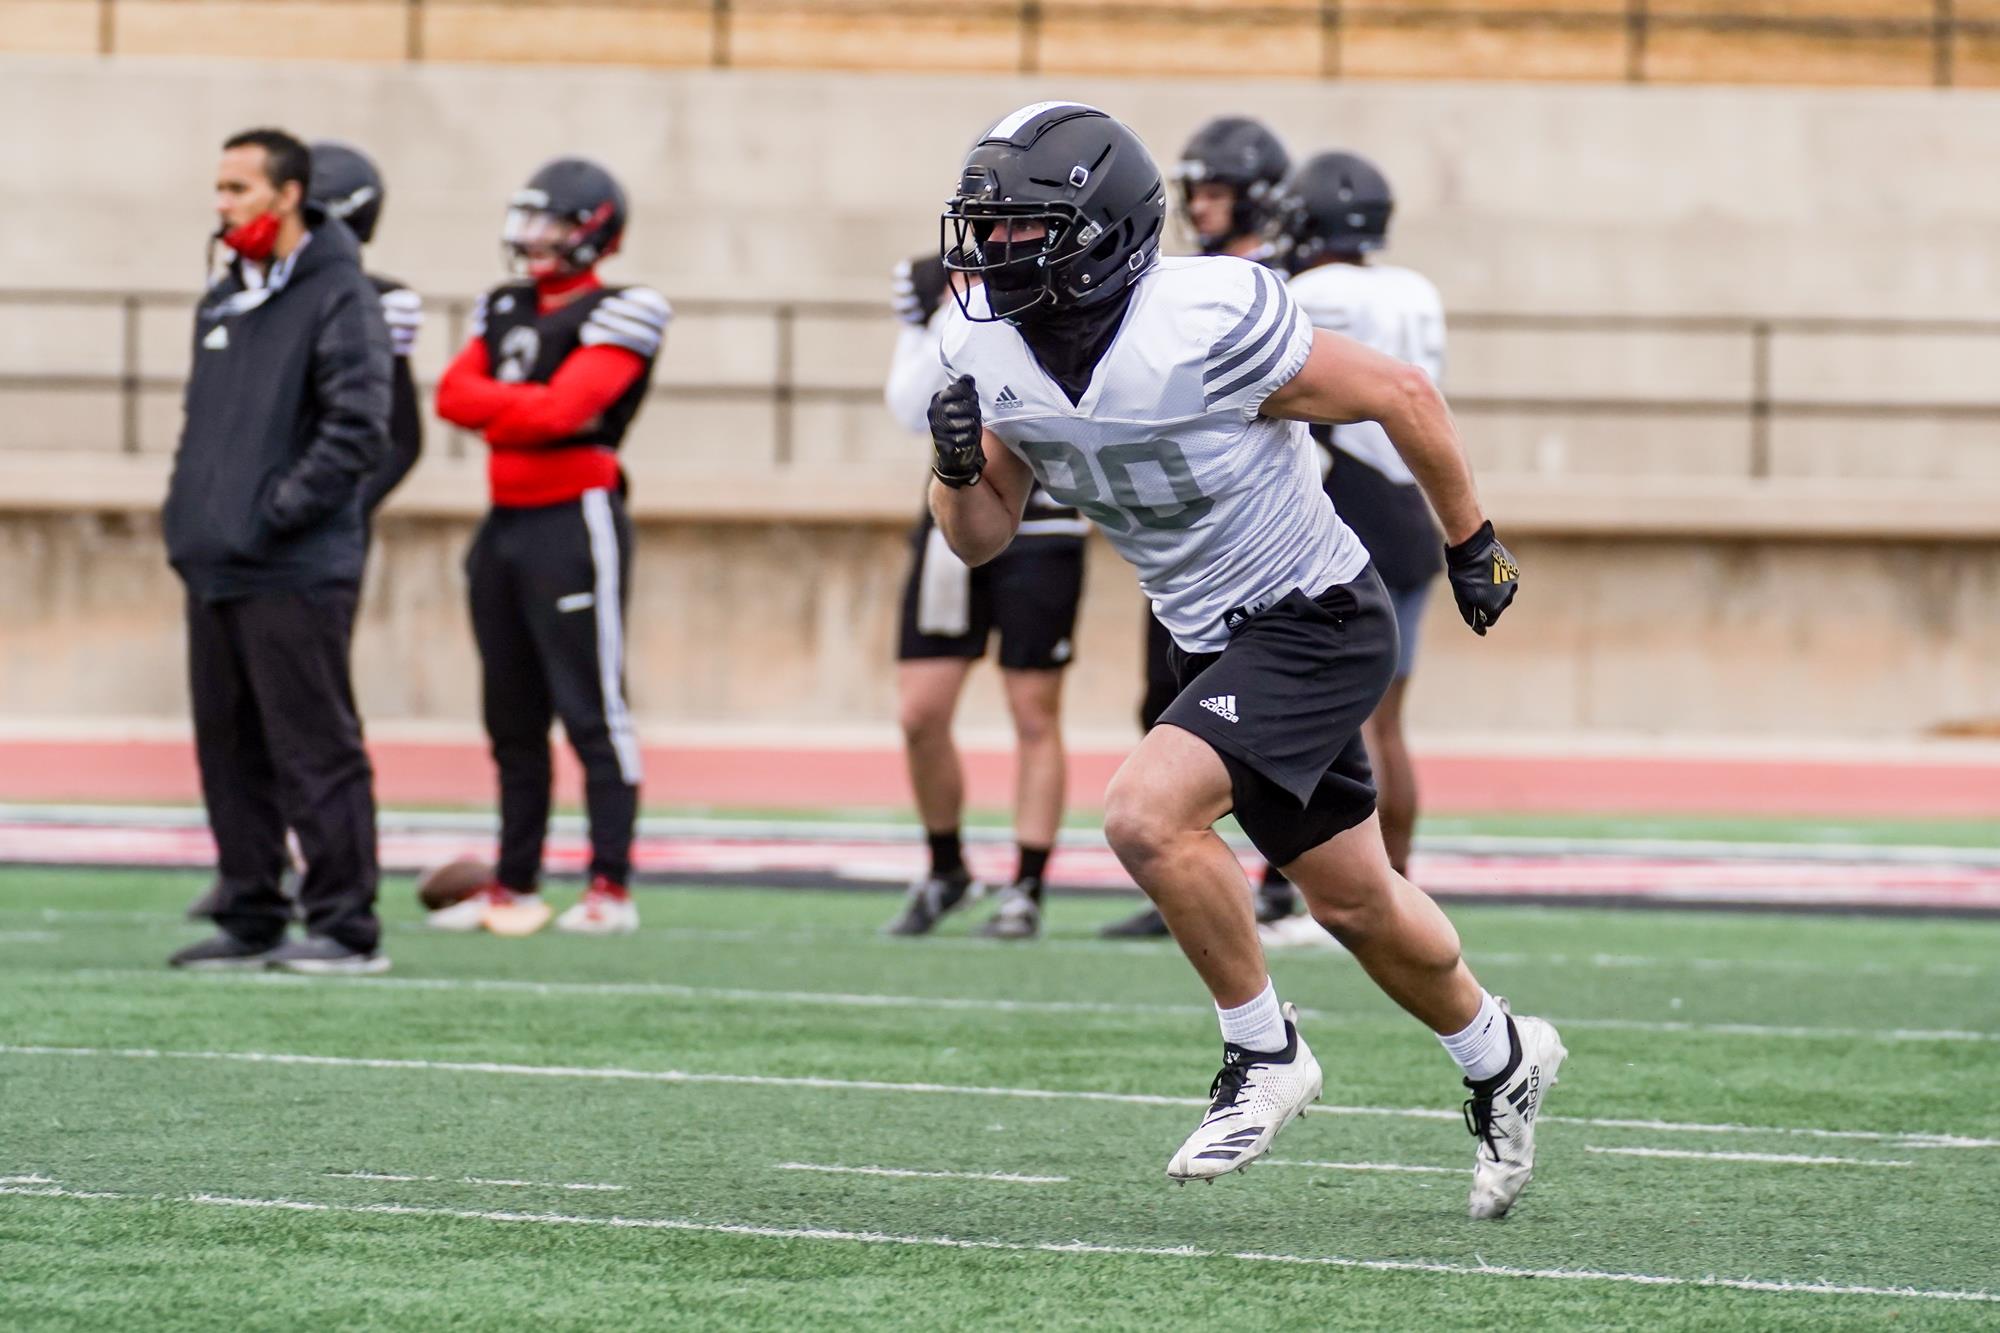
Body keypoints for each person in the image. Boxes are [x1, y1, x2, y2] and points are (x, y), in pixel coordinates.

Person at [927, 102, 1562, 1219]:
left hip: (1315, 613)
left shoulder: (1206, 316)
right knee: (1355, 900)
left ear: (1103, 231)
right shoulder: (986, 345)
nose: (993, 250)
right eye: (985, 226)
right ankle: (1500, 1054)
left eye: (1022, 227)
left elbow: (1399, 394)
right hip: (1208, 636)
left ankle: (1264, 1053)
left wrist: (1471, 541)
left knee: (1143, 815)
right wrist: (953, 472)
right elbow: (982, 537)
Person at [164, 128, 392, 974]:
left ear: (289, 194)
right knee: (229, 747)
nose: (222, 204)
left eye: (239, 188)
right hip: (215, 563)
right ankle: (251, 909)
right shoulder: (223, 299)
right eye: (220, 188)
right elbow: (201, 426)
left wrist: (270, 515)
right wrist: (191, 518)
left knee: (314, 747)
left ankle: (346, 926)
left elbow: (358, 429)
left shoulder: (340, 295)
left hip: (295, 564)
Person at [432, 157, 670, 937]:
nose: (535, 236)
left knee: (593, 709)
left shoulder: (626, 307)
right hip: (503, 521)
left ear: (594, 229)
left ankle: (611, 886)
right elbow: (450, 395)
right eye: (530, 218)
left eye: (554, 222)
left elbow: (564, 411)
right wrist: (522, 407)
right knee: (511, 717)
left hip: (575, 519)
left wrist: (506, 408)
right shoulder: (502, 304)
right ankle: (514, 882)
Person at [1103, 113, 1301, 940]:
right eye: (1197, 191)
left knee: (1282, 724)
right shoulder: (1180, 282)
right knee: (1164, 703)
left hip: (1269, 540)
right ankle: (1192, 878)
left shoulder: (1278, 288)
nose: (1203, 207)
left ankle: (1284, 880)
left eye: (1218, 191)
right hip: (1184, 543)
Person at [880, 254, 1088, 941]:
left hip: (1045, 522)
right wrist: (938, 318)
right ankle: (947, 867)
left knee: (1033, 710)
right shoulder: (950, 291)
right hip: (956, 513)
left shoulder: (1066, 279)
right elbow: (910, 408)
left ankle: (1026, 883)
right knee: (920, 711)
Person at [1274, 151, 1444, 878]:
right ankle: (1400, 887)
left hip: (1352, 511)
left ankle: (1368, 894)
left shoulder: (1312, 291)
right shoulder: (1415, 290)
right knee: (1390, 724)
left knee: (1352, 726)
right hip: (1411, 507)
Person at [309, 141, 425, 523]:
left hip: (321, 527)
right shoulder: (250, 293)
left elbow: (402, 439)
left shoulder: (377, 302)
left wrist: (345, 509)